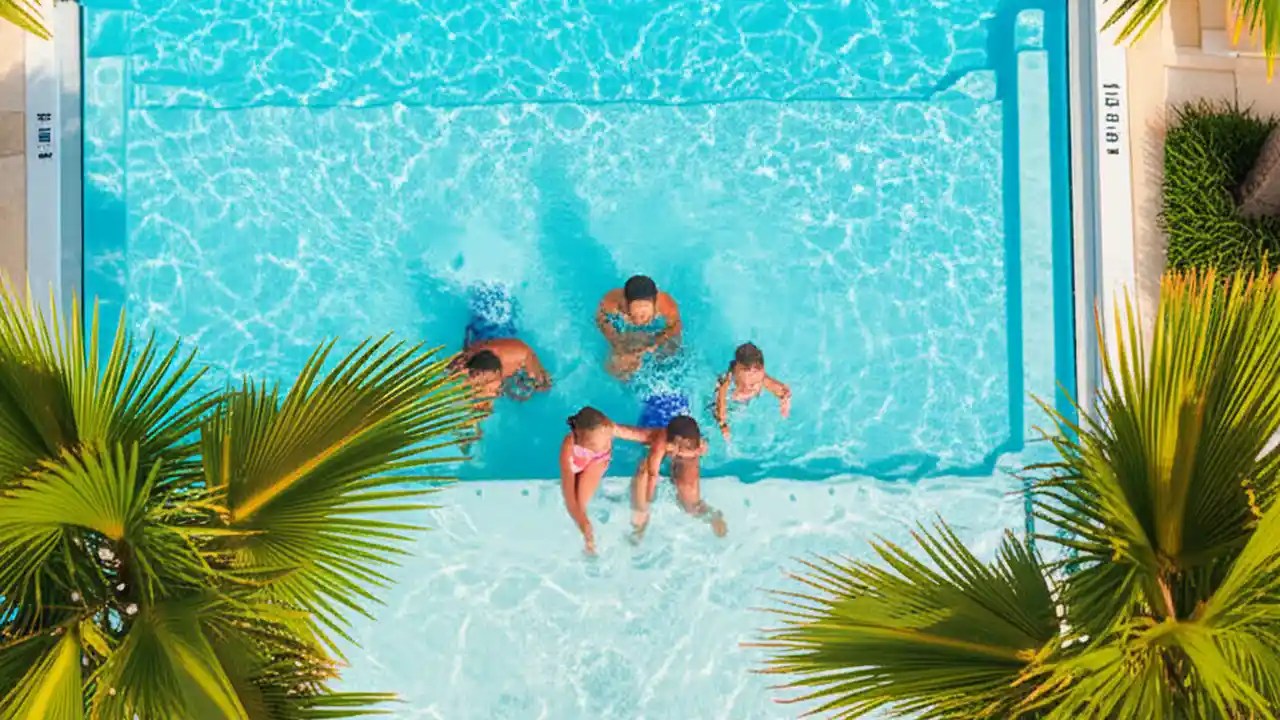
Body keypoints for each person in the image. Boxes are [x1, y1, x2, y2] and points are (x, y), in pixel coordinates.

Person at [559, 406, 651, 555]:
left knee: (581, 504)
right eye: (594, 444)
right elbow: (568, 493)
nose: (601, 445)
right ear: (579, 435)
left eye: (607, 440)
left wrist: (671, 443)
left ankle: (589, 541)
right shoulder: (569, 444)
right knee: (577, 510)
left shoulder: (608, 428)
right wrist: (583, 523)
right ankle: (588, 537)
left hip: (597, 461)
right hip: (577, 459)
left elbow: (648, 435)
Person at [630, 415, 727, 542]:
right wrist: (646, 503)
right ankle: (640, 525)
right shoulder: (664, 445)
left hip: (672, 432)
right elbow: (650, 474)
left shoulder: (691, 448)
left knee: (690, 504)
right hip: (671, 437)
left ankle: (712, 516)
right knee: (690, 503)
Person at [596, 274, 682, 378]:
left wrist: (657, 342)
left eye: (646, 314)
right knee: (617, 366)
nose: (642, 319)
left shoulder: (666, 305)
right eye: (636, 314)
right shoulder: (613, 303)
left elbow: (675, 327)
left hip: (657, 333)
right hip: (628, 333)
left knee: (671, 352)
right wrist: (617, 342)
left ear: (655, 303)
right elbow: (601, 319)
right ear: (626, 305)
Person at [712, 342, 791, 442]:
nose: (752, 387)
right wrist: (723, 424)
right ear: (736, 371)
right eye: (745, 385)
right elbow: (720, 404)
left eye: (756, 382)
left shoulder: (759, 378)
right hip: (725, 403)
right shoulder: (727, 381)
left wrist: (785, 400)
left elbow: (782, 390)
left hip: (742, 404)